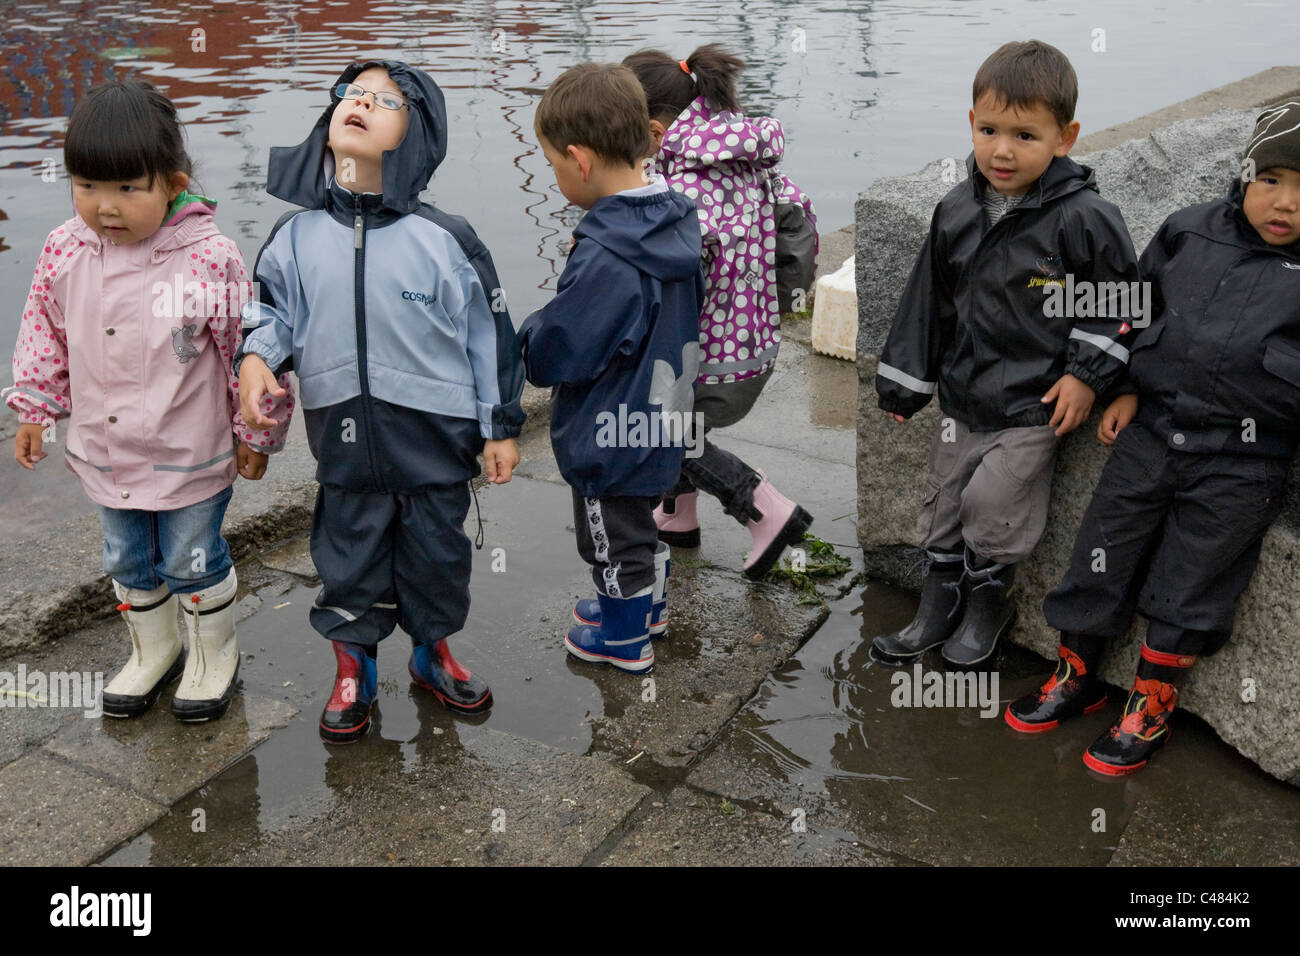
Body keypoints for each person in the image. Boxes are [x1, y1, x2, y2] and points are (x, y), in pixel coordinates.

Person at [1007, 102, 1300, 774]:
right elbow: (1132, 310)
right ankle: (1076, 673)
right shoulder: (1190, 232)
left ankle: (1151, 702)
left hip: (1243, 461)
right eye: (1272, 179)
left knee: (1193, 578)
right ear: (1246, 173)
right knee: (1104, 546)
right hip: (1152, 431)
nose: (1285, 203)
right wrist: (1126, 385)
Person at [236, 61, 524, 742]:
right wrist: (255, 357)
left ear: (416, 135)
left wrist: (499, 425)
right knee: (347, 561)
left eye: (385, 100)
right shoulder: (295, 238)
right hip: (342, 443)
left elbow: (492, 335)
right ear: (329, 122)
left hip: (434, 445)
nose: (360, 103)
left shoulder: (446, 239)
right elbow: (269, 313)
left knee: (437, 558)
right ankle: (352, 668)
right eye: (351, 94)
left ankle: (432, 654)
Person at [5, 80, 290, 720]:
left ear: (172, 181)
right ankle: (153, 651)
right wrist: (35, 408)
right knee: (127, 558)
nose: (105, 207)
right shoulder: (64, 251)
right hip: (107, 451)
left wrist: (257, 436)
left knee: (192, 556)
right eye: (87, 187)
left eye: (127, 189)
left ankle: (214, 654)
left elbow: (248, 352)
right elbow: (43, 332)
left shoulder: (209, 257)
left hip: (189, 450)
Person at [872, 40, 1141, 670]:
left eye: (1025, 135)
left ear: (1065, 137)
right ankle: (937, 606)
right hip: (962, 399)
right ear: (971, 123)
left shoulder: (1084, 218)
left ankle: (991, 603)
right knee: (942, 502)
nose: (1002, 150)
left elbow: (1125, 305)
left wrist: (1085, 375)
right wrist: (904, 385)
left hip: (1032, 405)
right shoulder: (956, 210)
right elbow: (927, 301)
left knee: (994, 506)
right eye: (989, 130)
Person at [518, 62, 704, 673]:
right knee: (645, 522)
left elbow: (567, 346)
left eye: (552, 164)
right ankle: (648, 608)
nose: (555, 177)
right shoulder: (678, 219)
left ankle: (625, 642)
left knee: (609, 538)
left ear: (581, 159)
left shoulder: (606, 254)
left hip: (610, 429)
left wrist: (526, 342)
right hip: (665, 415)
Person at [622, 44, 816, 579]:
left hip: (703, 351)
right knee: (677, 423)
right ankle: (677, 515)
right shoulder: (742, 160)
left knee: (656, 428)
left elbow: (667, 268)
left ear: (652, 125)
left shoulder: (678, 184)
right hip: (750, 339)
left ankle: (764, 508)